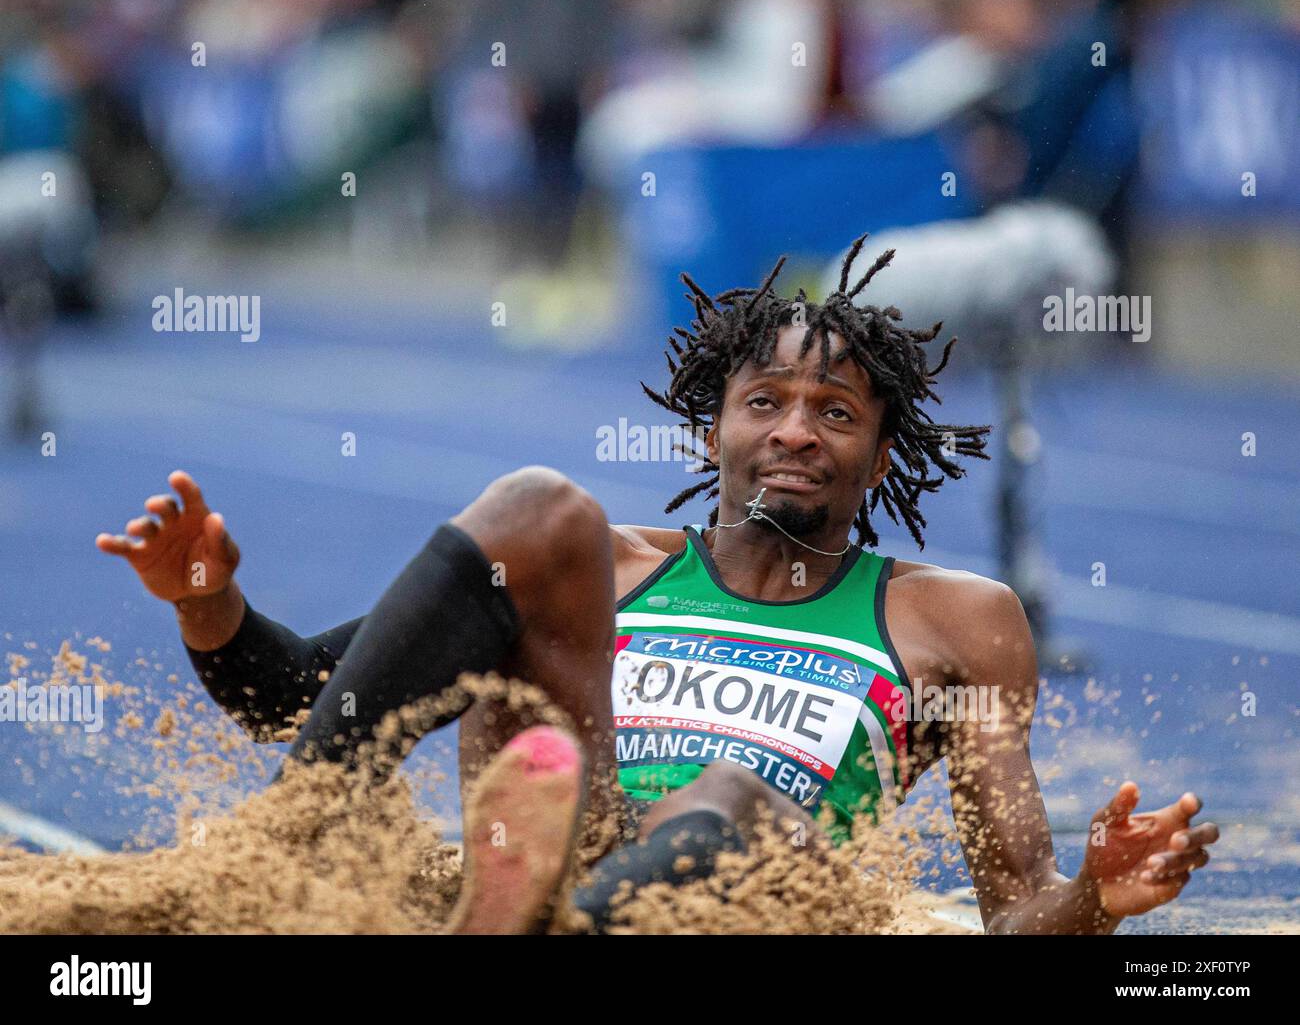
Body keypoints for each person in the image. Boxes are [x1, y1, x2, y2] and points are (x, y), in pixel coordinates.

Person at [96, 237, 1217, 933]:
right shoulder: (602, 574)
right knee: (539, 507)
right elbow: (300, 694)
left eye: (836, 414)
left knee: (725, 793)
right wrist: (206, 604)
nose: (795, 431)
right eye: (764, 401)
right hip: (563, 841)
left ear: (879, 460)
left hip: (756, 900)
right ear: (712, 431)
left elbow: (1014, 909)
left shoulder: (955, 621)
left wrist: (1094, 899)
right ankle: (296, 836)